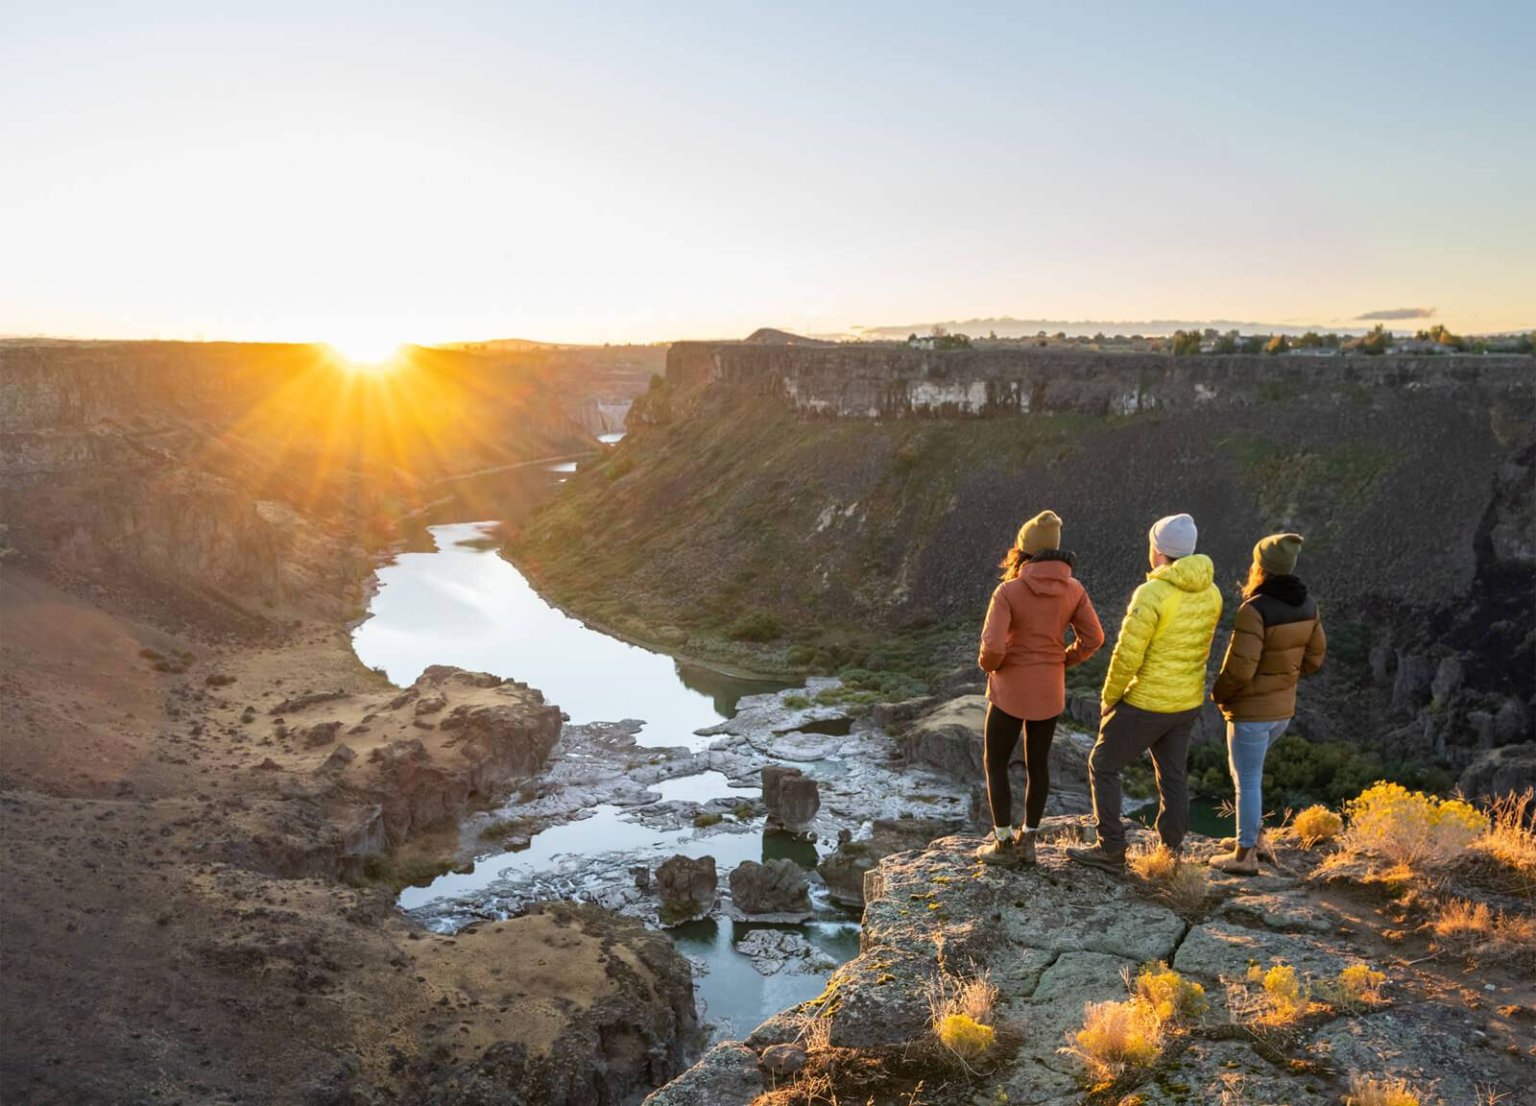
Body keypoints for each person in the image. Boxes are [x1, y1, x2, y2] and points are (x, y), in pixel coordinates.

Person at [1068, 513, 1222, 872]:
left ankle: (1110, 849)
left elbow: (1127, 654)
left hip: (1147, 701)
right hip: (1186, 702)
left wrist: (1110, 696)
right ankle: (1170, 851)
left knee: (1102, 764)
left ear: (1158, 550)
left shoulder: (1152, 593)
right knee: (1172, 776)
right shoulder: (1211, 591)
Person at [976, 510, 1104, 866]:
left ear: (1024, 550)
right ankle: (1029, 840)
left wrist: (992, 668)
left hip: (1009, 691)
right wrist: (1063, 660)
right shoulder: (1074, 589)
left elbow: (993, 649)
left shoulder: (1008, 591)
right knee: (1039, 765)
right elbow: (1094, 638)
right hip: (1050, 688)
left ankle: (1002, 843)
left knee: (996, 762)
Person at [1206, 533, 1327, 874]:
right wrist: (1284, 677)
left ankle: (1245, 857)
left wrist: (1219, 694)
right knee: (1248, 775)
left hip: (1251, 712)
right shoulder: (1308, 605)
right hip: (1282, 711)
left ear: (1261, 567)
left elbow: (1240, 668)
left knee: (1246, 779)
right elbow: (1315, 659)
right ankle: (1252, 838)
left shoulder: (1254, 609)